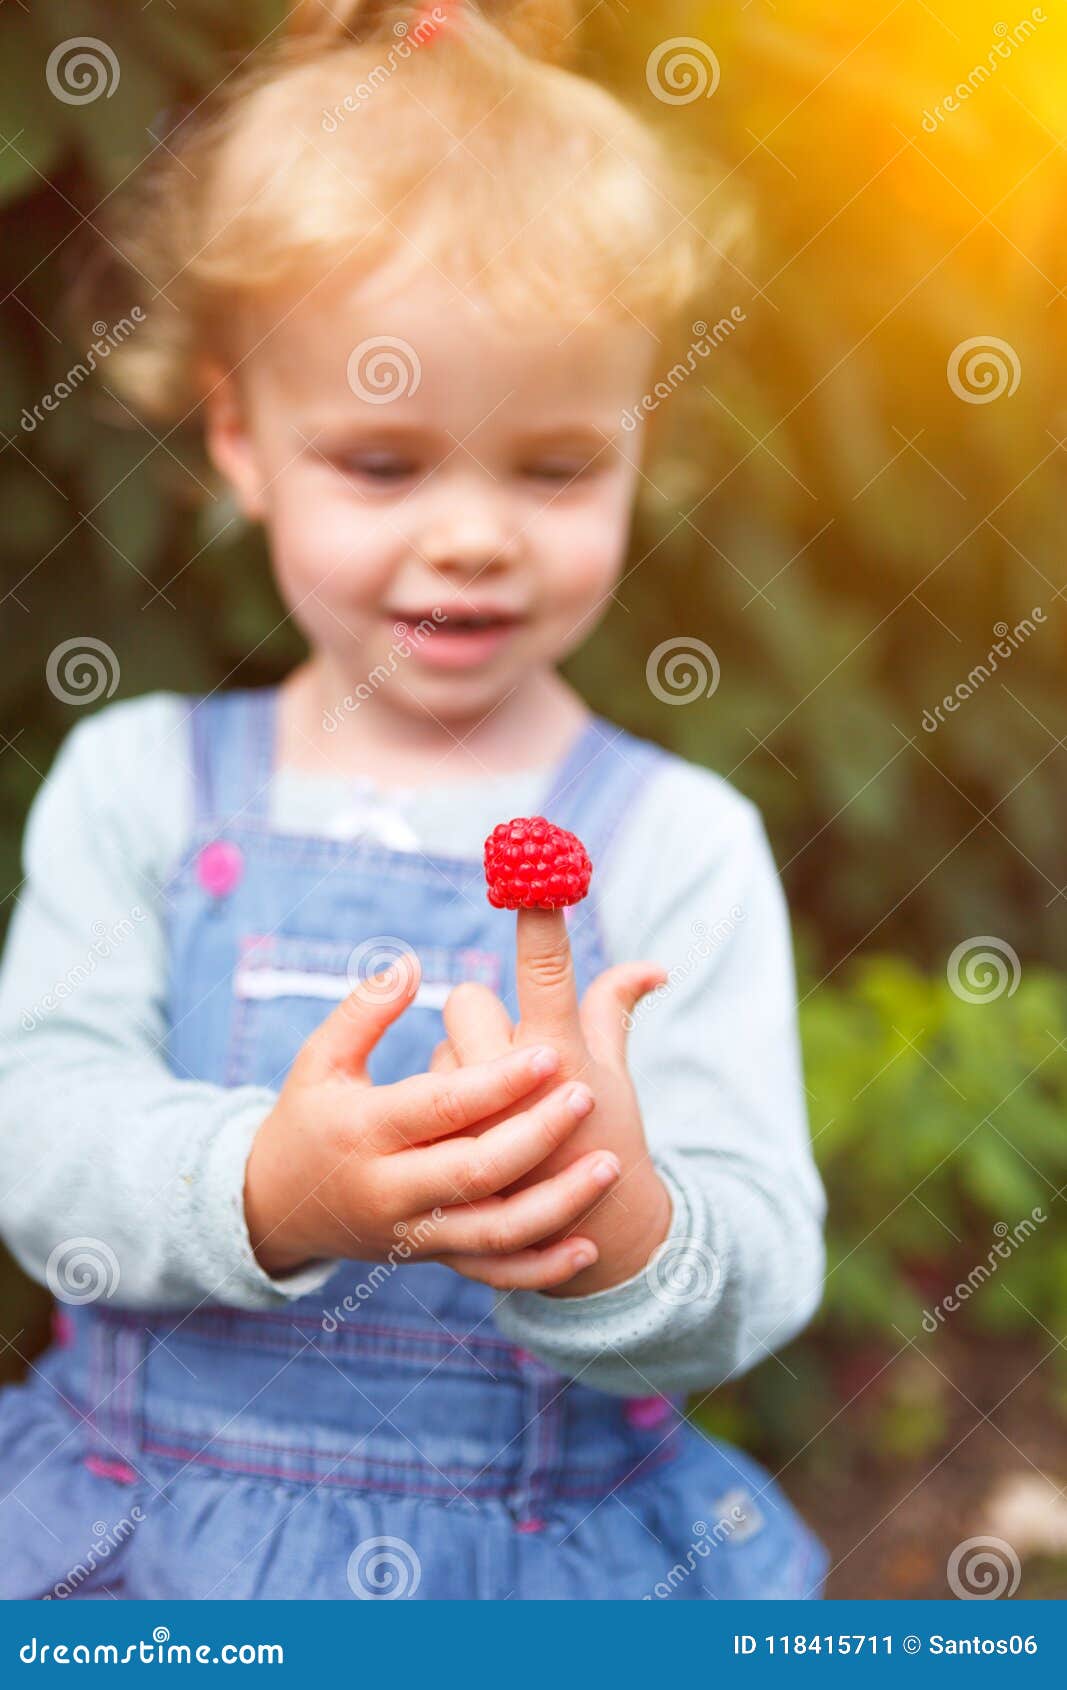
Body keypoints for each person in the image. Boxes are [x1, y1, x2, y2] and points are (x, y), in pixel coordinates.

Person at [0, 0, 827, 1599]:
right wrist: (268, 1181)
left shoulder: (676, 845)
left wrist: (628, 1222)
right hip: (148, 1549)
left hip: (526, 1567)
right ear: (241, 438)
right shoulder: (144, 787)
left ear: (642, 436)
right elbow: (36, 1136)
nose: (471, 537)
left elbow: (762, 1263)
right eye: (384, 463)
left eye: (554, 465)